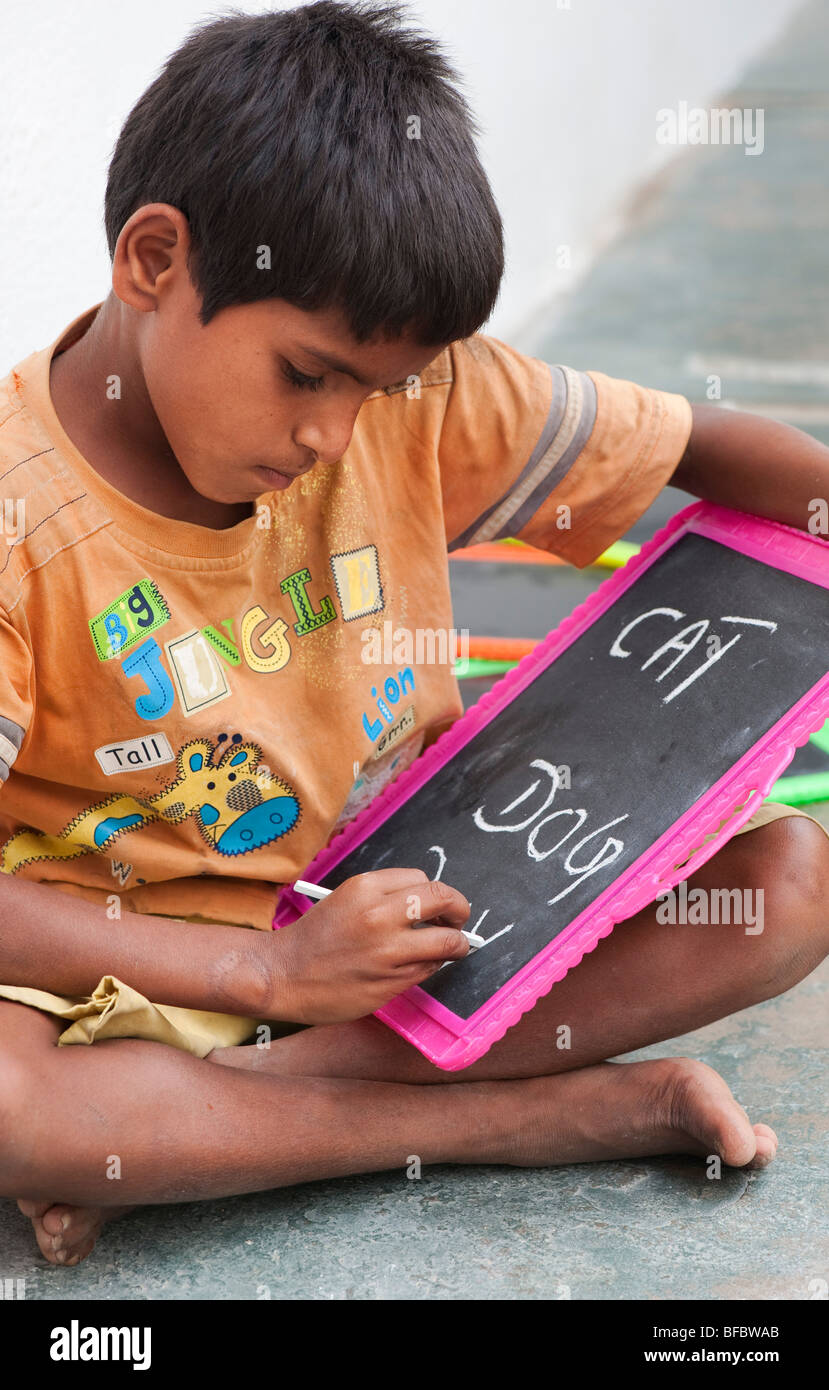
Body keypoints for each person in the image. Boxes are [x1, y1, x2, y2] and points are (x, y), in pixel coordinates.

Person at [1, 1, 827, 1268]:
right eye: (308, 375)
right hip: (104, 969)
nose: (336, 436)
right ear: (153, 261)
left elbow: (705, 450)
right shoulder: (18, 521)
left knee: (785, 887)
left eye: (376, 390)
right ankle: (515, 1119)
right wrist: (260, 982)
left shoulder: (409, 394)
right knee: (15, 1104)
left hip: (413, 919)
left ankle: (191, 1139)